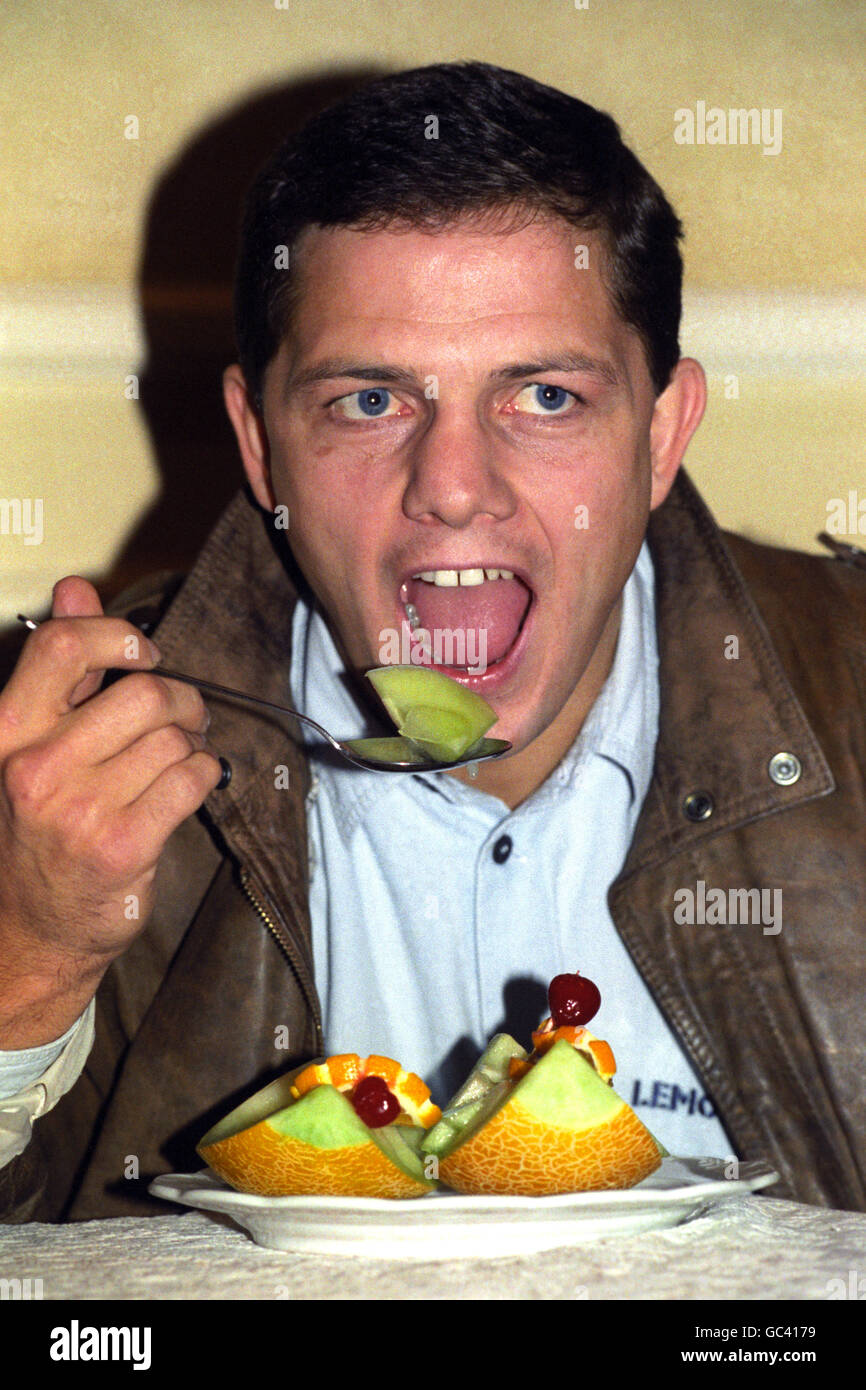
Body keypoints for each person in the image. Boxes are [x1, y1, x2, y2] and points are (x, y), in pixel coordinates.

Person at [1, 62, 864, 1222]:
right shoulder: (55, 773)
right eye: (370, 401)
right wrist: (29, 959)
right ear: (260, 446)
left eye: (544, 396)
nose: (453, 487)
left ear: (660, 435)